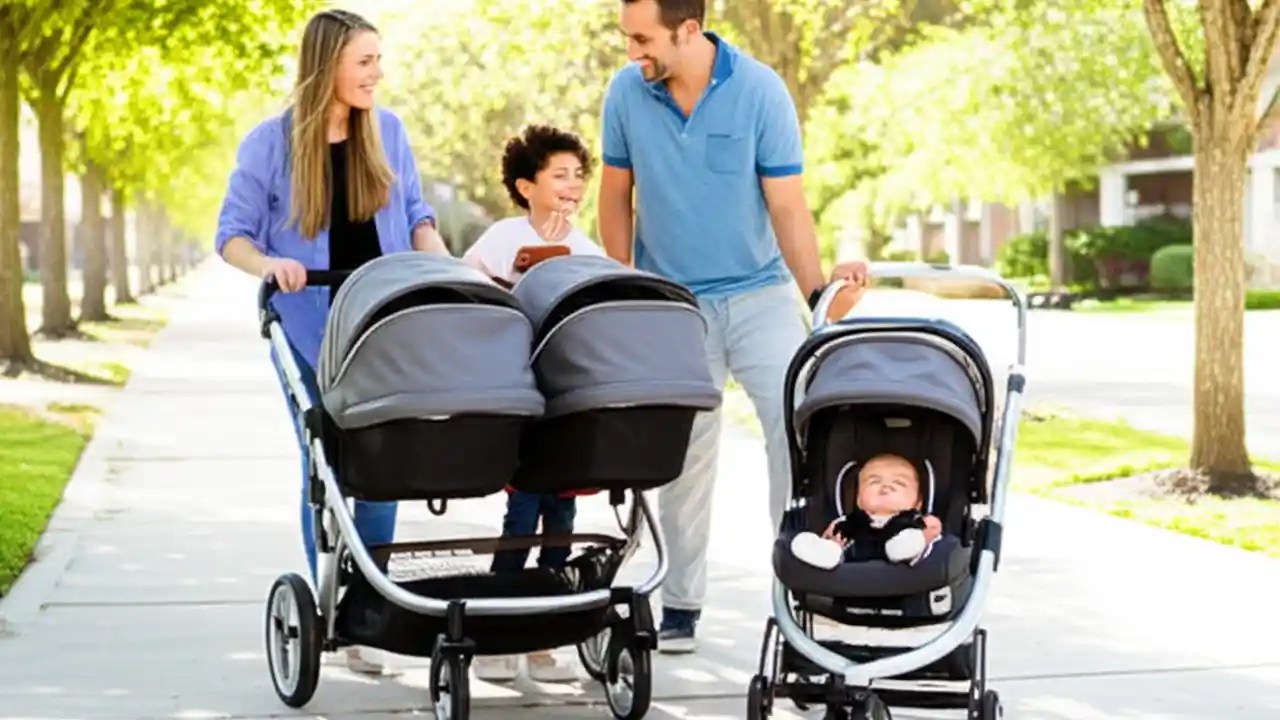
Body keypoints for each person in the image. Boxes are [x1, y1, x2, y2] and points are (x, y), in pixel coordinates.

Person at [596, 0, 870, 654]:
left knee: (798, 437)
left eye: (642, 38)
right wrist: (623, 291)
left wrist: (817, 299)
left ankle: (803, 591)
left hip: (760, 295)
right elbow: (614, 194)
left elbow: (787, 205)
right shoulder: (627, 93)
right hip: (674, 303)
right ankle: (683, 603)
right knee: (685, 457)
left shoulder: (759, 91)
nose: (632, 51)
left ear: (688, 31)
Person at [213, 8, 449, 674]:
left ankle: (371, 606)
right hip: (312, 329)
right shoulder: (270, 144)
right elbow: (231, 235)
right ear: (328, 68)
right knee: (329, 465)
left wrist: (443, 262)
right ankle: (336, 591)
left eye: (379, 59)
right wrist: (270, 267)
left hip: (387, 325)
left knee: (387, 465)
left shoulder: (389, 133)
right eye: (365, 62)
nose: (379, 73)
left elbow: (416, 215)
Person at [463, 125, 602, 683]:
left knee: (563, 519)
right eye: (559, 176)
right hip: (522, 390)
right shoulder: (501, 236)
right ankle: (500, 627)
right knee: (522, 514)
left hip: (566, 394)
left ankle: (547, 633)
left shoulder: (584, 244)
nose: (573, 185)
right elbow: (469, 282)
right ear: (526, 186)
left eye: (578, 175)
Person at [789, 454, 944, 570]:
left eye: (899, 483)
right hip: (851, 553)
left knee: (912, 537)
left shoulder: (918, 521)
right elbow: (832, 532)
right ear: (859, 499)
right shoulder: (850, 520)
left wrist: (928, 533)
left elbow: (935, 536)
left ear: (918, 502)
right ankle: (826, 553)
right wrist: (829, 539)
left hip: (902, 546)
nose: (886, 487)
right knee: (813, 540)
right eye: (874, 481)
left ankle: (905, 548)